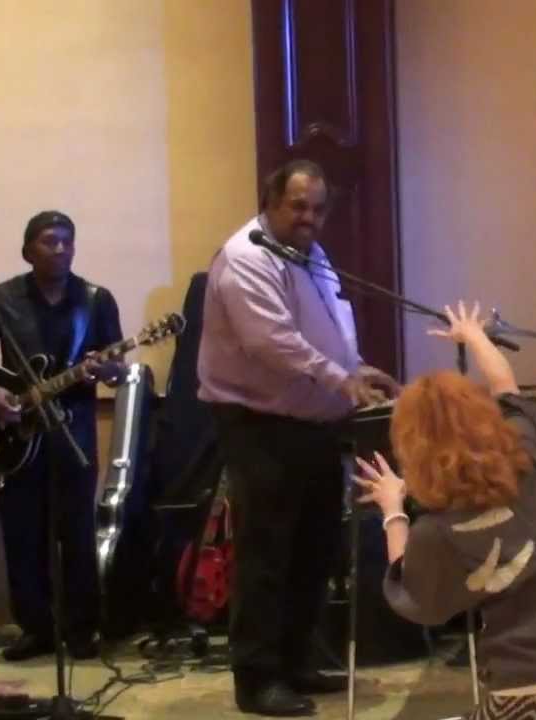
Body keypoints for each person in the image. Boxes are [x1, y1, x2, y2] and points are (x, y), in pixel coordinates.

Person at [355, 301, 536, 720]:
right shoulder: (527, 449)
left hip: (535, 690)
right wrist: (473, 335)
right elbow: (506, 384)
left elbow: (417, 597)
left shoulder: (435, 532)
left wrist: (392, 507)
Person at [198, 159, 399, 716]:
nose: (309, 217)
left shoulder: (310, 253)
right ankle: (257, 679)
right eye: (298, 206)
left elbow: (329, 325)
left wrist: (360, 366)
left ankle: (295, 662)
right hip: (260, 425)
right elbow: (273, 343)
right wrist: (342, 379)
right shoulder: (247, 258)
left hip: (313, 424)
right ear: (271, 202)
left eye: (318, 208)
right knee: (267, 555)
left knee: (315, 549)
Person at [0, 210, 124, 661]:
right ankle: (35, 629)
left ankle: (82, 629)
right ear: (28, 250)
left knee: (78, 533)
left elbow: (117, 369)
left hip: (74, 434)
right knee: (23, 533)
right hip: (16, 437)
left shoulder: (96, 299)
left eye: (68, 241)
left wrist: (109, 368)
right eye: (50, 241)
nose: (60, 249)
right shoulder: (3, 298)